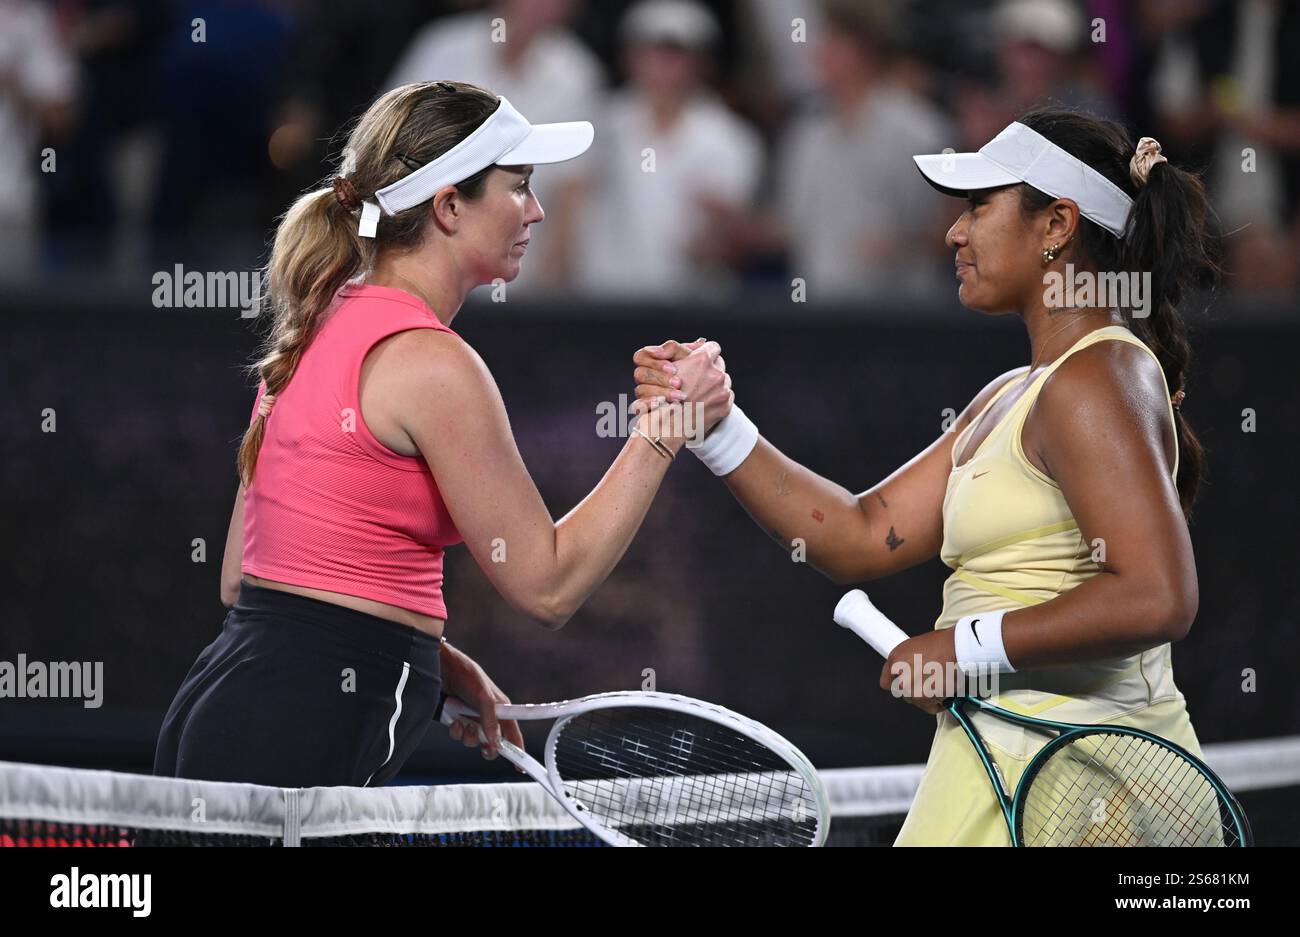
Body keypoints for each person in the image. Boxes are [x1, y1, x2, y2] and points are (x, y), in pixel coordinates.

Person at [633, 107, 1217, 845]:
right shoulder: (1014, 392)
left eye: (980, 205)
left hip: (1092, 792)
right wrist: (718, 428)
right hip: (1009, 769)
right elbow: (860, 532)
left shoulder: (1098, 375)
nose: (954, 231)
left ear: (1058, 225)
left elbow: (1157, 593)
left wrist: (964, 647)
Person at [153, 80, 731, 789]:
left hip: (223, 700)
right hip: (296, 727)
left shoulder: (314, 324)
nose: (538, 210)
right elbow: (548, 584)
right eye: (518, 188)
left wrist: (426, 653)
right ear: (449, 205)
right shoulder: (434, 363)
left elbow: (244, 576)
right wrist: (665, 428)